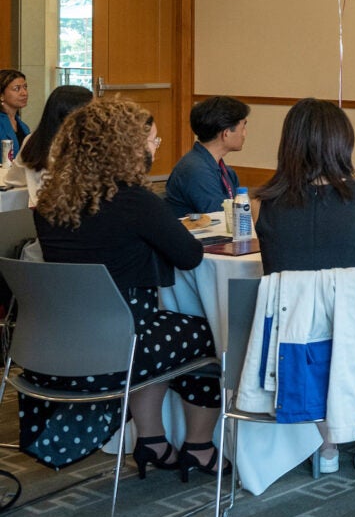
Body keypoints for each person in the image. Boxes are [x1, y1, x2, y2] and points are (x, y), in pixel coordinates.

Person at [27, 99, 223, 476]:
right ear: (124, 148)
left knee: (158, 332)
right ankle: (198, 446)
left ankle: (152, 441)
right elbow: (189, 256)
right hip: (120, 346)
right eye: (151, 141)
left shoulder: (52, 200)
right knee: (205, 333)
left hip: (56, 344)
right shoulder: (135, 200)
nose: (156, 146)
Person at [253, 97, 355, 483]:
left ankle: (325, 448)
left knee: (320, 330)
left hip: (290, 345)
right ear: (342, 145)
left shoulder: (260, 205)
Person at [165, 95, 250, 218]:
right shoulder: (196, 170)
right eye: (243, 127)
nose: (245, 133)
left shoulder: (224, 170)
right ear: (226, 133)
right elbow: (220, 217)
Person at [6, 83, 92, 204]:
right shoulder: (91, 142)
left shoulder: (34, 140)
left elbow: (13, 179)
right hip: (82, 212)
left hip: (43, 213)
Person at [0, 68, 29, 165]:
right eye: (17, 89)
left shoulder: (24, 127)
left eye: (25, 87)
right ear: (1, 95)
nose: (24, 93)